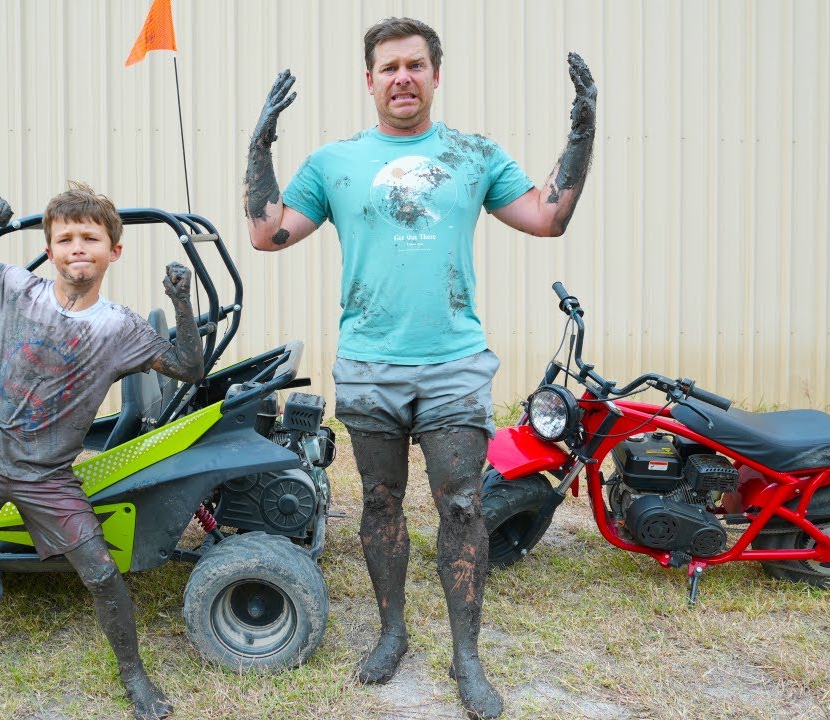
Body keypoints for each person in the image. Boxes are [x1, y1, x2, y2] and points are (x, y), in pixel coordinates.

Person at [243, 17, 596, 720]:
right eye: (388, 68)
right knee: (379, 503)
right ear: (368, 80)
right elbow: (268, 232)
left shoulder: (474, 154)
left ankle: (467, 656)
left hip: (453, 366)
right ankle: (391, 631)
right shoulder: (335, 162)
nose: (402, 78)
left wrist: (582, 133)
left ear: (437, 75)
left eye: (414, 66)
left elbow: (546, 217)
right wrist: (259, 147)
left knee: (462, 507)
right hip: (370, 364)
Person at [0, 183, 203, 720]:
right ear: (49, 250)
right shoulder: (16, 288)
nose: (77, 247)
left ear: (113, 252)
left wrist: (182, 302)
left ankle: (134, 676)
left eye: (90, 238)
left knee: (101, 574)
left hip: (46, 475)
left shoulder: (121, 328)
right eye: (65, 238)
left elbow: (189, 367)